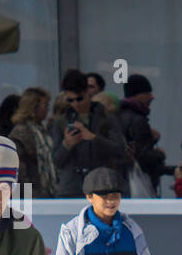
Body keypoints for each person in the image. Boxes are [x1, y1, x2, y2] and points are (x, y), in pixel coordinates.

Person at [50, 69, 129, 197]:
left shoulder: (107, 118)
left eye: (79, 99)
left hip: (100, 187)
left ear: (88, 93)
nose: (76, 104)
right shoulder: (61, 122)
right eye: (70, 100)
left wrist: (93, 138)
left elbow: (120, 150)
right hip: (71, 188)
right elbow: (56, 161)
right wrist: (67, 145)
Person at [117, 73, 170, 194]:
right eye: (147, 93)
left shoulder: (119, 116)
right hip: (134, 184)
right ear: (137, 95)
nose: (152, 97)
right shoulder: (138, 120)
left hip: (120, 181)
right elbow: (143, 156)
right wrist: (159, 154)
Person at [8, 87, 57, 199]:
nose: (48, 109)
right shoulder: (21, 132)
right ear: (33, 107)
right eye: (45, 105)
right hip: (31, 193)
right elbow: (20, 167)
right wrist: (29, 193)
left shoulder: (42, 129)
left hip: (47, 190)